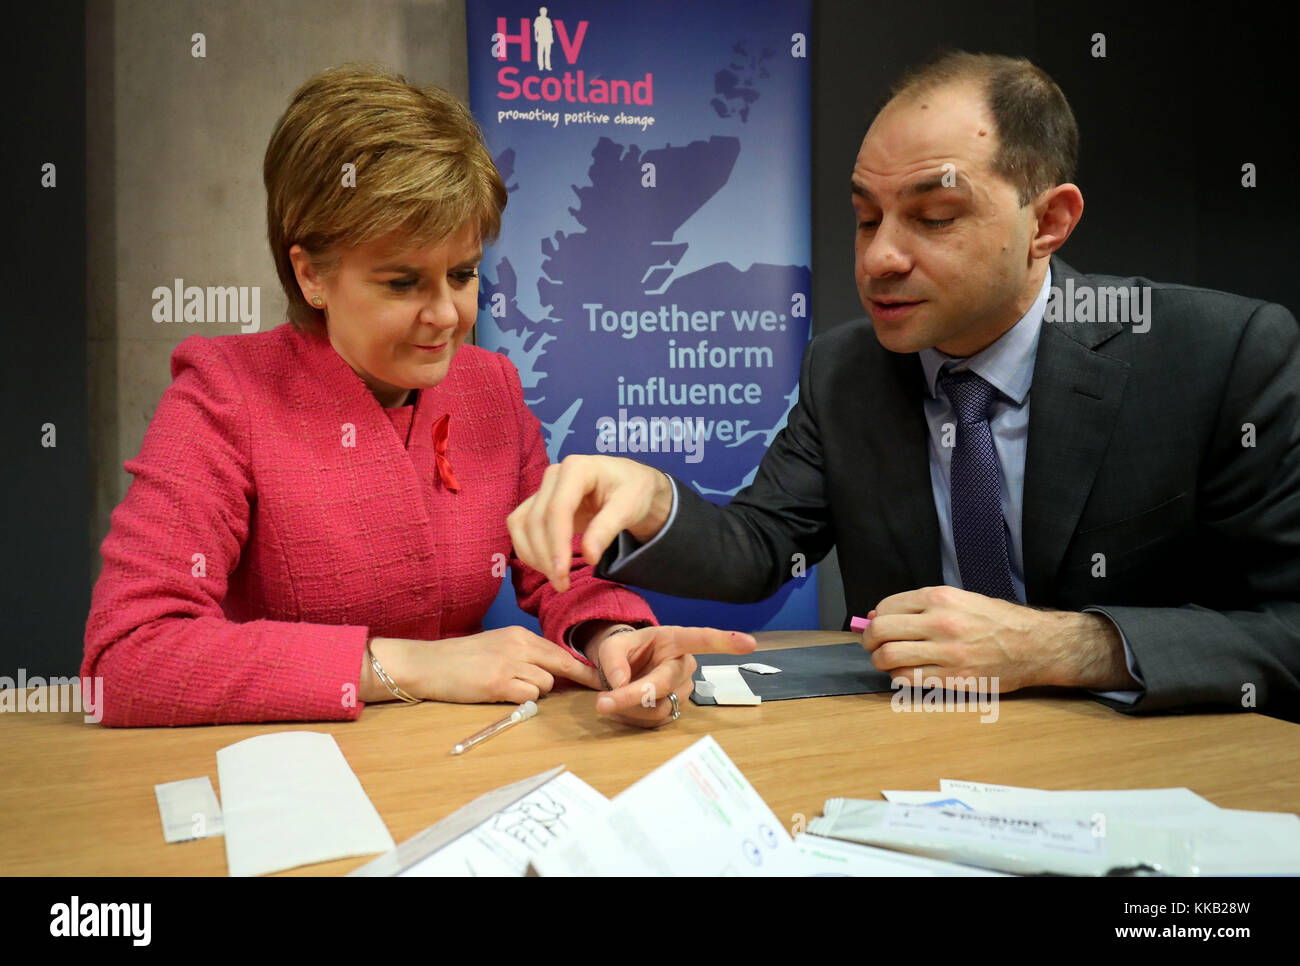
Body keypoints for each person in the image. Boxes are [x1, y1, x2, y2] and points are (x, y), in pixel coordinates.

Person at [509, 51, 1300, 721]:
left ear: (1049, 223)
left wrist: (1064, 645)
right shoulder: (846, 369)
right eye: (866, 217)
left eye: (935, 216)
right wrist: (652, 502)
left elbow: (1285, 627)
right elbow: (761, 553)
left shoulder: (1221, 355)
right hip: (915, 773)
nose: (880, 258)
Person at [82, 65, 753, 728]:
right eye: (403, 283)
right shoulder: (225, 393)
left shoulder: (489, 385)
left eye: (462, 274)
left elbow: (559, 568)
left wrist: (614, 641)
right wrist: (409, 666)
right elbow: (129, 655)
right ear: (312, 273)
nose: (445, 315)